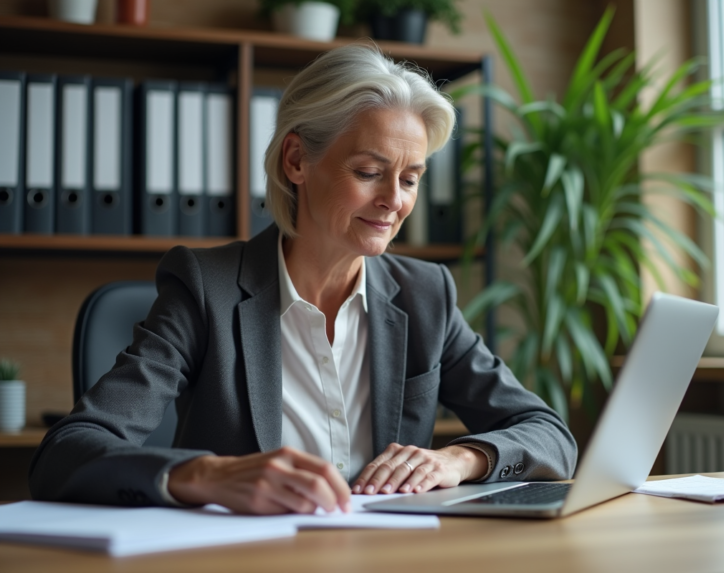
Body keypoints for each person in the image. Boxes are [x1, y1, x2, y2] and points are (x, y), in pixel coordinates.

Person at [29, 44, 577, 515]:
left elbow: (548, 433)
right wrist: (207, 476)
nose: (394, 200)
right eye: (368, 172)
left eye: (410, 179)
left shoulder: (425, 294)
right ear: (297, 159)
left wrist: (459, 458)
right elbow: (69, 450)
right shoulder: (207, 288)